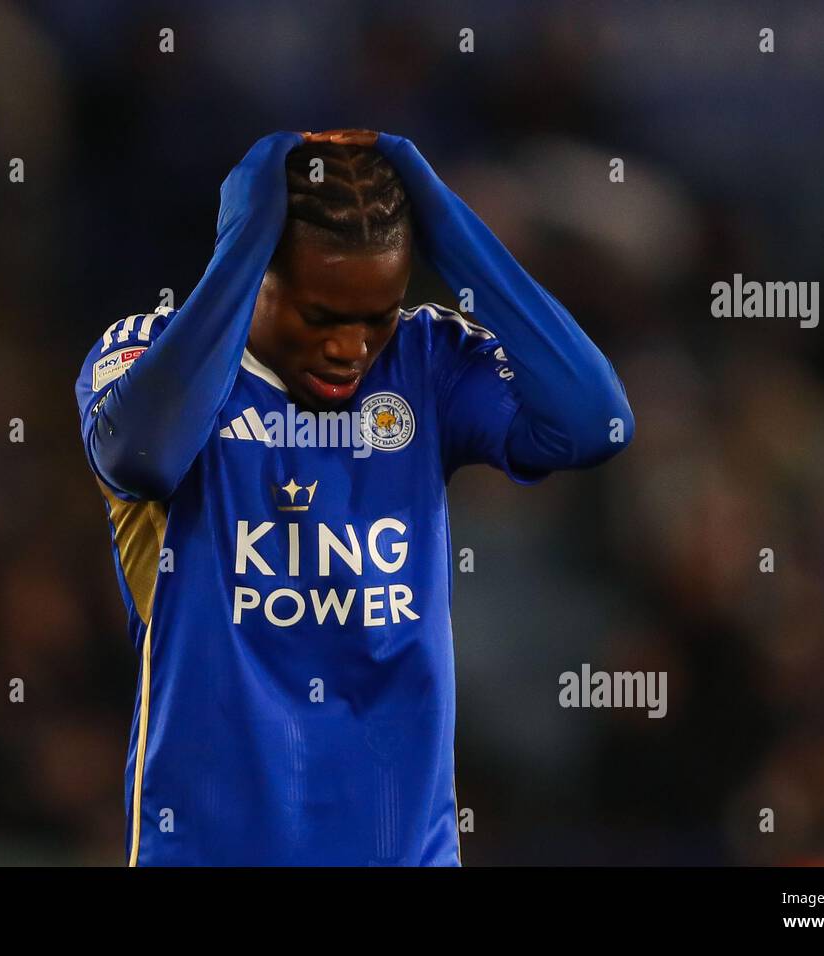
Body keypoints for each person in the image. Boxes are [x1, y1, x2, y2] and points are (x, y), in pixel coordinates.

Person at [73, 128, 634, 865]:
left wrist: (450, 228)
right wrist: (243, 245)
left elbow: (596, 421)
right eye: (322, 315)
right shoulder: (146, 356)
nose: (351, 346)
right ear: (257, 276)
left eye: (378, 314)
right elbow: (141, 456)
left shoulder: (426, 361)